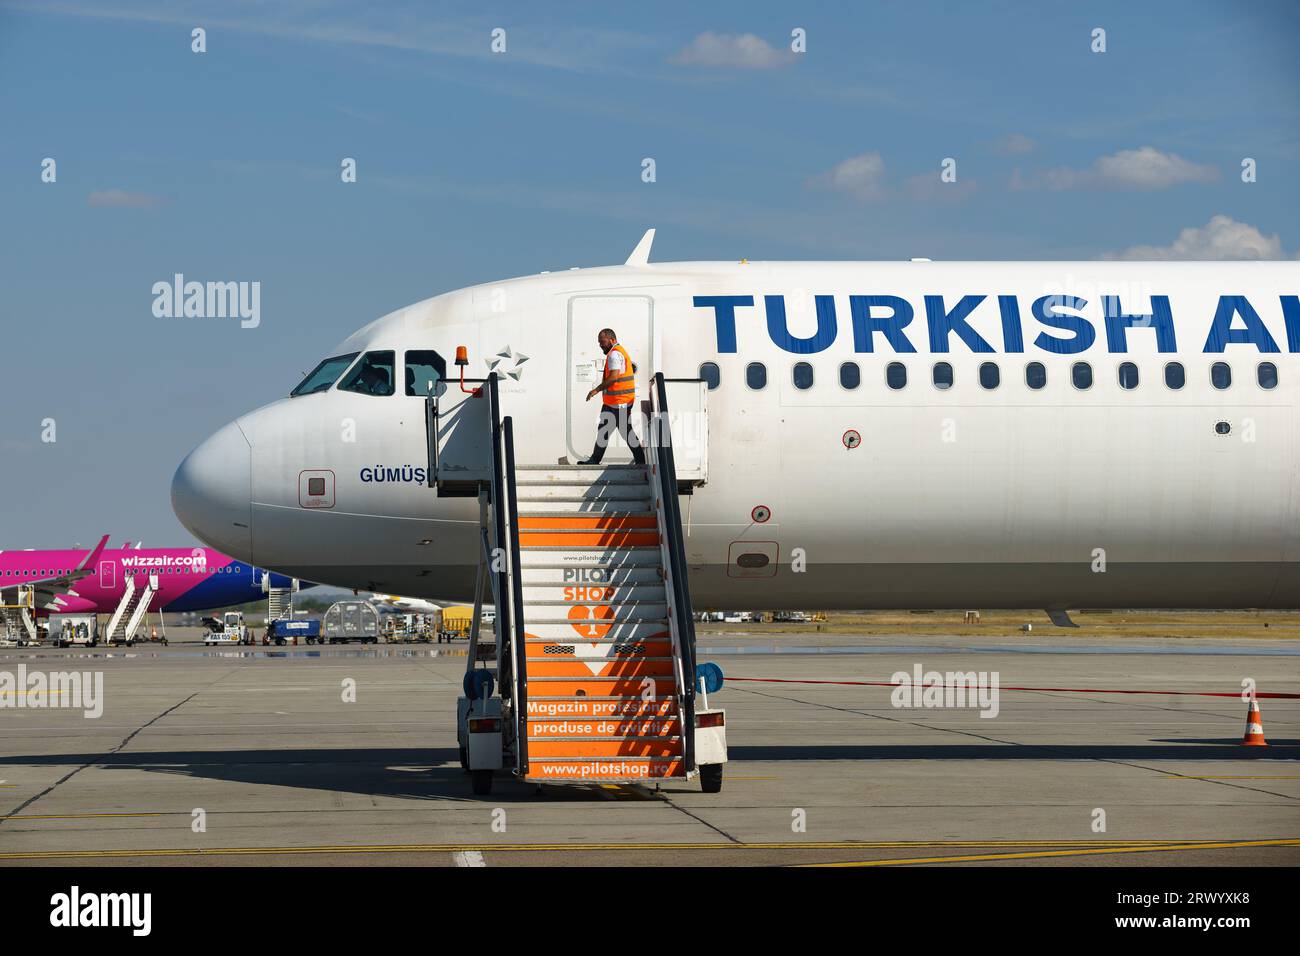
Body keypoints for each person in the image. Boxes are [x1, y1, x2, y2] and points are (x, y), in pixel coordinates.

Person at [580, 328, 645, 465]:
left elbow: (614, 377)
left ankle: (641, 461)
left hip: (619, 403)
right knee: (606, 430)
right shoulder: (617, 352)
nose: (600, 345)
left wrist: (596, 390)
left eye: (602, 342)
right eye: (599, 342)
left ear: (612, 340)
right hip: (614, 403)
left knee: (623, 432)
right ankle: (595, 460)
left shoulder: (614, 354)